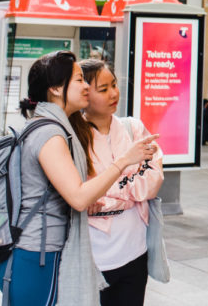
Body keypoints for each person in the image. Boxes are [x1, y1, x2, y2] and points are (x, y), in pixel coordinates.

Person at [0, 50, 158, 306]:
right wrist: (124, 161)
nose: (86, 87)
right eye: (79, 80)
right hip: (37, 252)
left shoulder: (56, 128)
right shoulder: (50, 133)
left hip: (45, 250)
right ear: (56, 89)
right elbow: (80, 198)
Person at [76, 59, 167, 306]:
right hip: (92, 254)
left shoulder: (133, 129)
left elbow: (152, 181)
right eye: (103, 89)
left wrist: (102, 193)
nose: (114, 93)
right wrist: (126, 181)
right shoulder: (73, 138)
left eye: (114, 85)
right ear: (84, 94)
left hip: (134, 250)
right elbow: (77, 195)